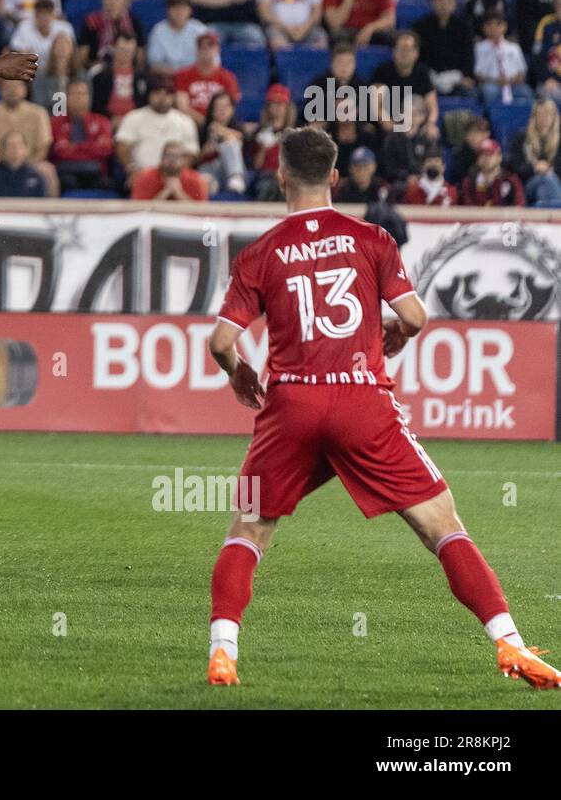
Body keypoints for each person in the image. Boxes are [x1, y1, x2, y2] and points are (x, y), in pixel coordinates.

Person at [205, 125, 560, 689]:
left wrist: (238, 373)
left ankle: (223, 650)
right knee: (441, 523)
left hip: (290, 404)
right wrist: (393, 329)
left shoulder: (260, 253)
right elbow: (416, 317)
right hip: (361, 402)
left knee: (248, 529)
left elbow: (221, 342)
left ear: (280, 178)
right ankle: (511, 645)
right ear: (336, 178)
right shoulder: (371, 238)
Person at [114, 81, 200, 178]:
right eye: (157, 93)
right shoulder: (134, 117)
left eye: (167, 94)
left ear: (173, 97)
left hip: (174, 176)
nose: (162, 98)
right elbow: (122, 146)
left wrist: (172, 174)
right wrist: (131, 169)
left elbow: (191, 153)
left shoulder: (185, 121)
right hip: (139, 175)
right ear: (149, 96)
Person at [50, 79, 114, 191]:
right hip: (66, 171)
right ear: (66, 98)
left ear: (88, 97)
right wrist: (91, 147)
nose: (78, 98)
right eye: (73, 94)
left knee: (107, 184)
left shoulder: (102, 121)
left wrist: (75, 147)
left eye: (82, 94)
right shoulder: (55, 123)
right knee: (67, 182)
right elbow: (60, 152)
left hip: (95, 172)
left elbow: (105, 149)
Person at [415, 0, 477, 93]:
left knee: (471, 93)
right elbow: (418, 56)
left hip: (456, 77)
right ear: (433, 1)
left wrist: (466, 76)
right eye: (440, 0)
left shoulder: (464, 27)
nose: (444, 4)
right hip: (428, 77)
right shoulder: (420, 26)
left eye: (449, 0)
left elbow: (468, 55)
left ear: (455, 4)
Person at [174, 31, 240, 123]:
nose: (206, 50)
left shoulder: (228, 77)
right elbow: (182, 106)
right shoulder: (183, 74)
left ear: (217, 49)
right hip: (191, 122)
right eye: (202, 47)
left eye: (210, 46)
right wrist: (205, 122)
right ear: (197, 50)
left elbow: (231, 106)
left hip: (220, 123)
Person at [146, 0, 208, 80]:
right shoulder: (158, 30)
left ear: (190, 10)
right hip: (167, 79)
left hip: (196, 78)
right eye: (175, 8)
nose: (179, 12)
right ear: (167, 10)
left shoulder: (200, 31)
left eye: (183, 8)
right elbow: (153, 65)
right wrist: (179, 75)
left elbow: (212, 61)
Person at [474, 11, 530, 104]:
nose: (494, 28)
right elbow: (478, 74)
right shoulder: (479, 48)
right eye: (490, 24)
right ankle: (491, 117)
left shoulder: (514, 47)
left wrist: (510, 81)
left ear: (505, 26)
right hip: (491, 84)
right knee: (489, 91)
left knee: (526, 92)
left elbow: (522, 71)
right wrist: (496, 81)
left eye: (498, 24)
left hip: (513, 84)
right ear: (484, 28)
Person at [131, 139, 208, 201]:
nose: (172, 160)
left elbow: (202, 210)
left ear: (183, 160)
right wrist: (166, 191)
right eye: (168, 156)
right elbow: (139, 210)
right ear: (161, 159)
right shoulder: (145, 178)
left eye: (176, 156)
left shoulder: (194, 179)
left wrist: (179, 193)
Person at [458, 137, 525, 206]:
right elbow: (468, 207)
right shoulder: (469, 182)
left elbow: (519, 204)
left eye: (490, 154)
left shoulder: (511, 180)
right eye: (482, 155)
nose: (486, 159)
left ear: (499, 157)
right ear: (477, 160)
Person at [0, 131, 48, 197]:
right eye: (10, 144)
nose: (15, 148)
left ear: (26, 149)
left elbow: (42, 203)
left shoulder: (36, 177)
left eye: (19, 144)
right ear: (3, 150)